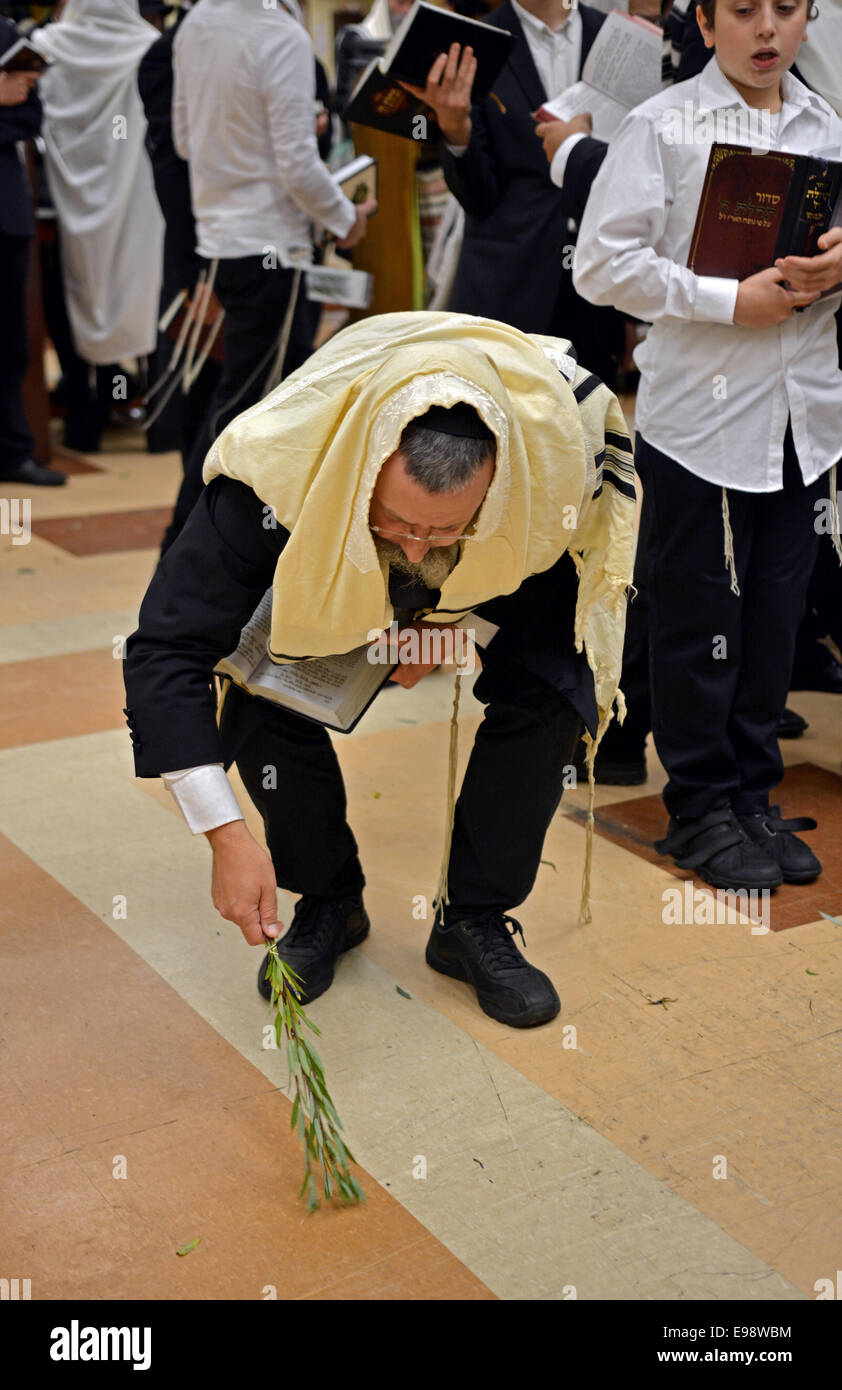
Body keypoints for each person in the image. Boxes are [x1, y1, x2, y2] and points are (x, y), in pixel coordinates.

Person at [123, 312, 637, 1029]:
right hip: (330, 566)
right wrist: (225, 835)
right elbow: (165, 650)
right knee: (260, 687)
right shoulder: (274, 475)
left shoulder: (548, 474)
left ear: (493, 492)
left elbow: (546, 580)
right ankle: (329, 896)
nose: (420, 547)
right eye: (398, 521)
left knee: (556, 689)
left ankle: (473, 918)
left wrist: (442, 628)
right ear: (362, 474)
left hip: (500, 569)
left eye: (447, 529)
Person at [574, 0, 842, 891]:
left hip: (806, 420)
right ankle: (698, 808)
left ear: (809, 18)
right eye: (743, 10)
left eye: (786, 10)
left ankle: (751, 798)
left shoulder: (825, 123)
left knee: (772, 623)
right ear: (705, 18)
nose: (766, 30)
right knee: (702, 629)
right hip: (706, 425)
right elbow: (601, 264)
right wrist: (729, 301)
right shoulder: (663, 125)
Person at [170, 0, 374, 540]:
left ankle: (223, 551)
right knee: (247, 416)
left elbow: (185, 140)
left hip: (220, 241)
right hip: (272, 249)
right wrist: (346, 217)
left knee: (240, 402)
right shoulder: (279, 33)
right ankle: (187, 552)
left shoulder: (197, 21)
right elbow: (297, 165)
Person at [402, 0, 625, 384]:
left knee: (590, 432)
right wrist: (456, 128)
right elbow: (478, 197)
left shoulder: (616, 36)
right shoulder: (476, 43)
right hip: (508, 285)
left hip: (596, 283)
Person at [32, 1, 165, 373]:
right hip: (137, 199)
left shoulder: (47, 46)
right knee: (143, 295)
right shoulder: (148, 45)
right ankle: (150, 410)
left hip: (62, 203)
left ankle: (85, 414)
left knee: (70, 296)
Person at [0, 14, 65, 486]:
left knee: (11, 342)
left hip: (7, 214)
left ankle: (12, 451)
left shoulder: (8, 35)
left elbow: (30, 114)